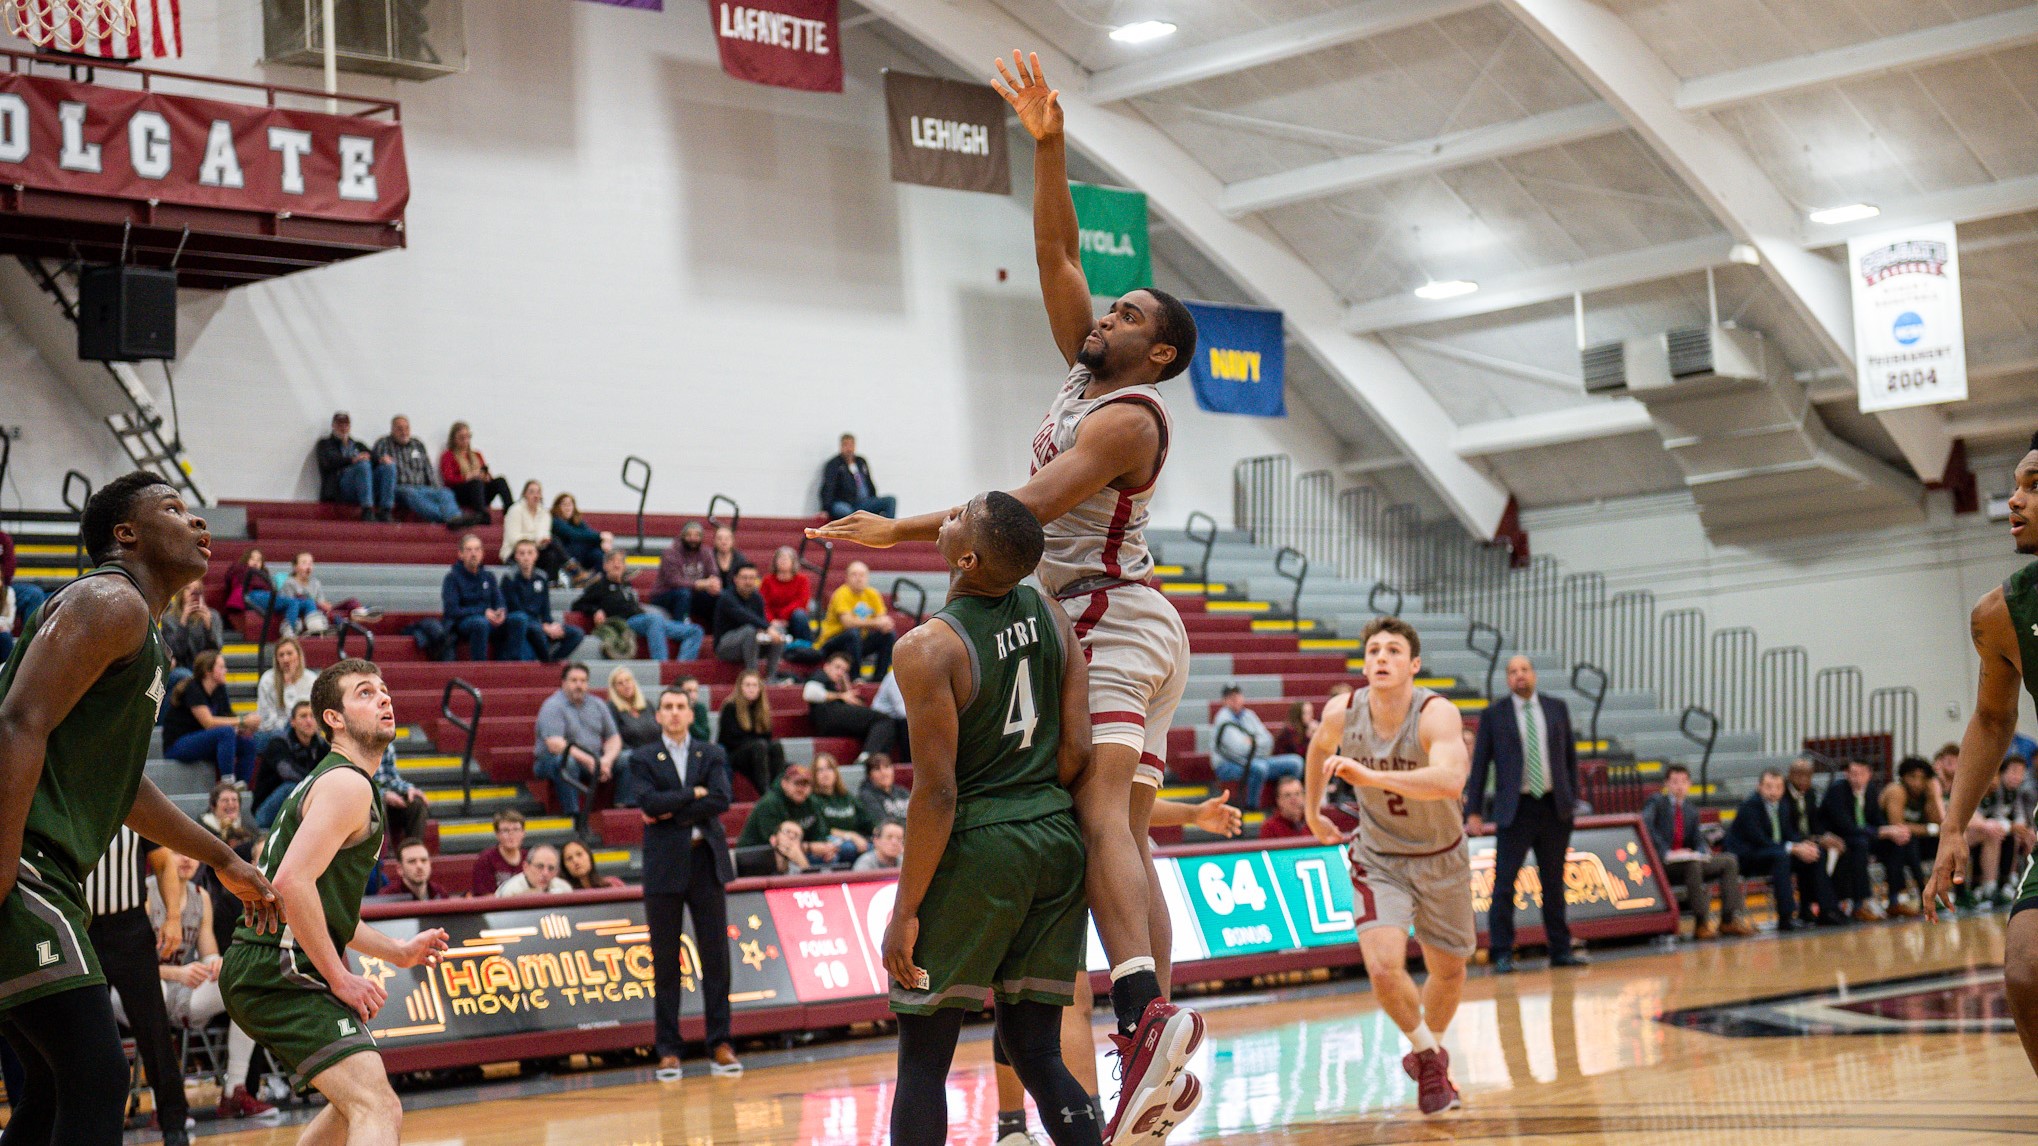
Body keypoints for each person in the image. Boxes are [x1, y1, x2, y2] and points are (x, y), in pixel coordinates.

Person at [813, 54, 1205, 1129]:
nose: (1104, 313)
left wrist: (895, 526)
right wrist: (1043, 142)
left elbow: (1020, 513)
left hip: (1113, 614)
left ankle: (1142, 1012)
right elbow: (1057, 247)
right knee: (1112, 827)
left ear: (1155, 351)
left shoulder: (1129, 419)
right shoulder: (1087, 376)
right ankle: (1150, 1046)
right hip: (1088, 615)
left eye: (1125, 314)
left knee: (1098, 814)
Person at [0, 472, 279, 1146]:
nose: (199, 524)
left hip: (47, 870)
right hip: (26, 866)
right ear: (125, 534)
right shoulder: (110, 600)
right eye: (175, 509)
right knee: (96, 1078)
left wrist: (225, 858)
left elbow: (122, 787)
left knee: (50, 1091)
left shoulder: (141, 633)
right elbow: (16, 724)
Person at [882, 490, 1108, 1146]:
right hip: (1055, 839)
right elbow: (1077, 749)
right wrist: (1031, 799)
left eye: (957, 517)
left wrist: (904, 912)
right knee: (1038, 1053)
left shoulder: (926, 648)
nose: (946, 516)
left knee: (923, 1059)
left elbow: (938, 795)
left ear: (969, 558)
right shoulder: (1050, 613)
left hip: (979, 847)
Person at [219, 659, 451, 1145]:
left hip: (270, 963)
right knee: (377, 1105)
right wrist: (340, 976)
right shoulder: (347, 784)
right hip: (279, 966)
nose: (384, 698)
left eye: (385, 690)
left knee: (354, 1107)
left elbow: (324, 911)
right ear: (334, 719)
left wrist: (398, 952)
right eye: (365, 693)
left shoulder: (339, 782)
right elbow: (292, 884)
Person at [1301, 617, 1471, 1117]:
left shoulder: (1436, 714)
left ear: (1414, 665)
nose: (1381, 658)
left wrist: (1370, 776)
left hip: (1442, 858)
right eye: (1374, 649)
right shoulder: (1343, 711)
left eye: (1394, 651)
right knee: (1381, 965)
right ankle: (1427, 1055)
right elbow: (1317, 748)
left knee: (1450, 971)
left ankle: (1430, 1051)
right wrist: (1313, 812)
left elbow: (1450, 781)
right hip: (1379, 857)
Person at [1932, 436, 2038, 1076]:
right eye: (2017, 484)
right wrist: (1952, 825)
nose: (2014, 500)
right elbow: (1993, 717)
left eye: (2035, 485)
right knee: (2026, 970)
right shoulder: (2001, 613)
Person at [625, 686, 741, 1079]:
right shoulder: (641, 757)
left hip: (705, 864)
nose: (674, 713)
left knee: (716, 959)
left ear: (691, 714)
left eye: (681, 707)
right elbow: (647, 803)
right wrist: (693, 794)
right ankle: (669, 1049)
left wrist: (670, 809)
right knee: (665, 962)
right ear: (657, 715)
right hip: (663, 868)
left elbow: (722, 800)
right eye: (668, 707)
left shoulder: (711, 753)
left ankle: (720, 1042)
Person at [135, 849, 279, 1123]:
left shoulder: (200, 896)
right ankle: (162, 1105)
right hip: (134, 989)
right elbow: (129, 967)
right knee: (152, 991)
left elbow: (208, 949)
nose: (186, 858)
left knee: (242, 987)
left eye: (190, 852)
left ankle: (234, 1091)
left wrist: (217, 963)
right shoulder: (144, 893)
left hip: (180, 987)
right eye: (177, 852)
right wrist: (177, 973)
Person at [1465, 655, 1582, 974]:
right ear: (1507, 679)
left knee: (1554, 883)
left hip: (1553, 807)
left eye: (1524, 670)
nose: (1519, 676)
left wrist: (1573, 799)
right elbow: (1480, 766)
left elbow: (1570, 757)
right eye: (1513, 672)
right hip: (1515, 809)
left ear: (1534, 675)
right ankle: (1501, 951)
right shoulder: (1494, 715)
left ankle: (1560, 949)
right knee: (1504, 882)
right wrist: (1473, 810)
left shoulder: (1557, 708)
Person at [83, 826, 194, 1141]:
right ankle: (94, 1127)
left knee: (154, 1031)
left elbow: (162, 862)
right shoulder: (66, 795)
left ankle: (174, 1124)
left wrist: (173, 918)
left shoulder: (132, 798)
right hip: (82, 929)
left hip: (130, 929)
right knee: (86, 1037)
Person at [1640, 764, 1751, 939]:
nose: (1679, 786)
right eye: (1675, 782)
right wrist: (1666, 852)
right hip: (1664, 863)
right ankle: (1701, 923)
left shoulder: (1690, 810)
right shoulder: (1656, 802)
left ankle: (1728, 920)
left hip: (1688, 861)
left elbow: (1697, 839)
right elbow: (1646, 826)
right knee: (1693, 865)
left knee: (1728, 861)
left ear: (1690, 784)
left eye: (1683, 782)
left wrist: (1700, 851)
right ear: (1666, 784)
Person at [1725, 768, 1822, 931]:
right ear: (1759, 787)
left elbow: (1790, 833)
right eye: (1768, 786)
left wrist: (1804, 845)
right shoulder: (1750, 806)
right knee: (1782, 856)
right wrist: (1793, 848)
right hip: (1747, 858)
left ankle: (1814, 908)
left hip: (1771, 854)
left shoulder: (1783, 805)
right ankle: (1785, 917)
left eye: (1778, 787)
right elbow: (1760, 840)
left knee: (1812, 854)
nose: (1773, 791)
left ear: (1783, 789)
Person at [1822, 758, 1919, 920]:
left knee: (1897, 842)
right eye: (1852, 774)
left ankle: (1894, 900)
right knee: (1860, 845)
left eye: (1860, 774)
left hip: (1864, 836)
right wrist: (1882, 831)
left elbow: (1876, 818)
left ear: (1869, 774)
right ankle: (1860, 905)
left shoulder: (1871, 790)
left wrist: (1892, 830)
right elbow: (1846, 826)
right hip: (1840, 838)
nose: (1856, 778)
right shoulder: (1837, 790)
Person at [575, 549, 704, 663]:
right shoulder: (600, 586)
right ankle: (662, 665)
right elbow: (578, 604)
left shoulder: (627, 584)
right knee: (654, 620)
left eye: (620, 561)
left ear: (624, 566)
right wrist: (596, 610)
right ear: (605, 566)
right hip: (625, 623)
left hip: (643, 619)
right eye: (612, 561)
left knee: (695, 631)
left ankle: (682, 666)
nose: (616, 564)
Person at [533, 661, 622, 818]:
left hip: (594, 761)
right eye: (574, 680)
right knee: (567, 762)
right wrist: (591, 761)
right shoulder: (552, 705)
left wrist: (606, 760)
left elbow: (613, 737)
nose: (579, 685)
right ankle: (574, 815)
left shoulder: (598, 704)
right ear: (563, 683)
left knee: (629, 759)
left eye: (583, 681)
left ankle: (624, 808)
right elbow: (555, 744)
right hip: (551, 761)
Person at [164, 649, 261, 784]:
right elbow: (208, 723)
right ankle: (228, 782)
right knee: (226, 733)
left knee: (247, 743)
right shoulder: (193, 688)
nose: (225, 670)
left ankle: (241, 786)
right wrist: (243, 721)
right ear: (207, 671)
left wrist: (244, 728)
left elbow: (228, 718)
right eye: (221, 667)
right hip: (178, 744)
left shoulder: (219, 689)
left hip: (205, 741)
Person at [1209, 684, 1305, 811]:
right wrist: (1256, 745)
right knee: (1259, 768)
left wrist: (1252, 743)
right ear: (1224, 700)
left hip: (1256, 760)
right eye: (1230, 696)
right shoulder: (1223, 719)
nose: (1235, 699)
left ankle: (1285, 802)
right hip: (1228, 765)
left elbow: (1269, 741)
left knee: (1295, 762)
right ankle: (1251, 807)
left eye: (1237, 695)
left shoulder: (1249, 715)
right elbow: (1238, 749)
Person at [443, 533, 531, 662]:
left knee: (519, 618)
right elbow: (452, 610)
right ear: (460, 554)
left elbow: (499, 600)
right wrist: (483, 612)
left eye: (477, 549)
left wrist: (501, 611)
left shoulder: (489, 576)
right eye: (469, 550)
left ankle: (512, 662)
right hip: (465, 622)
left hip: (489, 619)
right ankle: (480, 666)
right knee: (480, 623)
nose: (474, 554)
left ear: (482, 553)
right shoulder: (452, 578)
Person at [1784, 758, 1849, 927]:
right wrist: (1815, 840)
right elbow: (1786, 830)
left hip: (1808, 844)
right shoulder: (1782, 794)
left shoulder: (1811, 794)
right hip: (1790, 847)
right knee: (1816, 856)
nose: (1804, 780)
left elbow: (1816, 824)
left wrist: (1827, 836)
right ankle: (1827, 909)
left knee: (1838, 850)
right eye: (1800, 776)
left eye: (1808, 776)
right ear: (1790, 775)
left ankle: (1834, 904)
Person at [804, 650, 900, 760]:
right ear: (826, 666)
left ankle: (874, 760)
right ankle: (866, 758)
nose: (840, 672)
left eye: (844, 670)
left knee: (885, 726)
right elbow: (808, 693)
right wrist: (841, 696)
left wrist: (845, 687)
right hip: (829, 715)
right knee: (883, 719)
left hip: (835, 719)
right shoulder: (820, 675)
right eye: (837, 667)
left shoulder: (837, 685)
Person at [502, 538, 585, 663]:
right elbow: (515, 609)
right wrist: (543, 627)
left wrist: (551, 625)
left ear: (536, 555)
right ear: (516, 556)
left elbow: (545, 609)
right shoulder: (509, 578)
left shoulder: (541, 578)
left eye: (530, 553)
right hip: (522, 626)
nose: (526, 557)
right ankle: (546, 660)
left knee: (577, 633)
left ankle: (553, 660)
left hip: (538, 625)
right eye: (522, 553)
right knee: (530, 627)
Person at [373, 414, 463, 526]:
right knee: (411, 493)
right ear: (392, 430)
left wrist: (435, 488)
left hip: (421, 487)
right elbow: (377, 465)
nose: (404, 432)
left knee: (445, 492)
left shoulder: (417, 444)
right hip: (399, 488)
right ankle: (445, 519)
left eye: (406, 428)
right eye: (399, 428)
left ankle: (456, 517)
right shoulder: (383, 443)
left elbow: (427, 468)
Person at [735, 764, 836, 863]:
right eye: (797, 783)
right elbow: (778, 842)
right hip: (755, 855)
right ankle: (807, 877)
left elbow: (821, 833)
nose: (801, 789)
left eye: (805, 785)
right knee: (788, 850)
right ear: (784, 783)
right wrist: (810, 847)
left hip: (797, 852)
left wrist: (826, 848)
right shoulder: (769, 803)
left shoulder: (813, 803)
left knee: (835, 854)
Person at [817, 560, 896, 678]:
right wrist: (876, 622)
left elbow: (883, 621)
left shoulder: (873, 594)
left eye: (862, 575)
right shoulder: (841, 593)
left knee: (888, 634)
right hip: (833, 643)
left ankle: (879, 677)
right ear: (847, 578)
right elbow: (848, 623)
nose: (859, 578)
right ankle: (856, 677)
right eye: (854, 574)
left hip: (857, 643)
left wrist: (884, 624)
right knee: (853, 633)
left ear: (867, 577)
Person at [1880, 757, 1941, 909]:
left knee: (1946, 841)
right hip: (1884, 841)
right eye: (1912, 777)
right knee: (1907, 840)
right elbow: (1898, 826)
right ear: (1903, 776)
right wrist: (1928, 829)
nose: (1917, 782)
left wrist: (1933, 795)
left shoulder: (1924, 795)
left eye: (1922, 778)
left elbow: (1939, 823)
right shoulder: (1896, 790)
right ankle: (1921, 892)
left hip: (1911, 842)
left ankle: (1955, 892)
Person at [255, 701, 326, 829]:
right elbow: (287, 772)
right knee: (292, 787)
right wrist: (318, 784)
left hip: (301, 804)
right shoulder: (278, 742)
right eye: (303, 716)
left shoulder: (321, 745)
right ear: (292, 722)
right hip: (266, 812)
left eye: (312, 716)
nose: (309, 721)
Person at [1980, 756, 2038, 907]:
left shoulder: (2016, 791)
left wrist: (2023, 828)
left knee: (2028, 835)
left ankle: (2022, 879)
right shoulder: (1997, 789)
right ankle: (1990, 888)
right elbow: (1994, 815)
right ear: (2002, 773)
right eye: (2013, 772)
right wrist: (2013, 827)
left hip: (1999, 829)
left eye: (2021, 773)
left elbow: (2020, 817)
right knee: (2001, 834)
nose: (2017, 777)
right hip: (1986, 830)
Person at [315, 411, 395, 522]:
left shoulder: (358, 445)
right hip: (341, 487)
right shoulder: (325, 444)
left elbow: (372, 456)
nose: (343, 427)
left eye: (346, 424)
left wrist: (382, 459)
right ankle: (367, 509)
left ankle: (386, 510)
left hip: (363, 484)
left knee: (389, 467)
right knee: (363, 464)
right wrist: (353, 460)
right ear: (333, 426)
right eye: (339, 424)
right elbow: (329, 462)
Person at [717, 668, 786, 796]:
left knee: (776, 746)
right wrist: (755, 741)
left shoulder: (762, 709)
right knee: (759, 746)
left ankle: (779, 789)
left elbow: (768, 736)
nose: (751, 688)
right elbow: (728, 739)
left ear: (760, 689)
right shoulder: (730, 707)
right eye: (747, 685)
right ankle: (766, 793)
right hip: (735, 754)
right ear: (740, 687)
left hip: (758, 750)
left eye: (754, 685)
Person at [715, 564, 788, 680]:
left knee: (778, 629)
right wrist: (768, 627)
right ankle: (753, 678)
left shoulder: (757, 598)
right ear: (736, 579)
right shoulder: (726, 597)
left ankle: (771, 677)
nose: (748, 582)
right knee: (750, 630)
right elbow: (744, 616)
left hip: (753, 644)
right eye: (744, 578)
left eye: (752, 578)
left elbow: (761, 622)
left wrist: (771, 629)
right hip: (726, 647)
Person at [232, 548, 320, 636]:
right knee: (292, 602)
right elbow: (238, 586)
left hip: (267, 595)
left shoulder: (263, 574)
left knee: (308, 602)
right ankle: (288, 629)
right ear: (245, 559)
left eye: (259, 560)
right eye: (252, 559)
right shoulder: (241, 570)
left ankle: (315, 625)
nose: (256, 562)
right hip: (252, 595)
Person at [439, 421, 514, 524]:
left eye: (468, 437)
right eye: (461, 437)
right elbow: (448, 479)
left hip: (480, 491)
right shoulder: (448, 455)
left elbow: (486, 473)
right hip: (462, 492)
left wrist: (486, 477)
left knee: (500, 481)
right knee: (476, 483)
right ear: (454, 439)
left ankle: (511, 512)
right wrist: (467, 477)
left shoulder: (476, 454)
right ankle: (482, 514)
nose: (465, 440)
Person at [253, 635, 318, 753]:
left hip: (304, 731)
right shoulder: (267, 680)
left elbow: (311, 717)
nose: (285, 659)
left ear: (298, 656)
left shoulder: (311, 680)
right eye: (281, 655)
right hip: (272, 733)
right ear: (276, 659)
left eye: (289, 653)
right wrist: (288, 686)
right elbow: (267, 720)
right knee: (278, 738)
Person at [278, 551, 374, 629]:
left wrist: (324, 604)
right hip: (307, 615)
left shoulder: (315, 583)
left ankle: (357, 612)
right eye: (304, 563)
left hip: (323, 611)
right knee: (304, 599)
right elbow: (290, 605)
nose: (308, 567)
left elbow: (321, 602)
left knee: (351, 601)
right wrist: (319, 604)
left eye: (310, 563)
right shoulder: (289, 583)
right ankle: (340, 620)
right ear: (295, 567)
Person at [653, 520, 720, 627]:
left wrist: (714, 582)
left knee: (719, 596)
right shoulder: (671, 553)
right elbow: (673, 581)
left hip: (692, 595)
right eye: (689, 535)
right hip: (665, 594)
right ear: (682, 536)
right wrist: (698, 584)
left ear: (701, 538)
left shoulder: (706, 552)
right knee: (683, 593)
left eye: (697, 535)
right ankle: (680, 629)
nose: (693, 539)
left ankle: (717, 630)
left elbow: (713, 572)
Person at [811, 753, 874, 864]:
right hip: (829, 841)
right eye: (820, 770)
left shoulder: (846, 797)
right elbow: (824, 829)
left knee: (880, 847)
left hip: (855, 840)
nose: (825, 774)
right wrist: (852, 836)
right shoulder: (812, 799)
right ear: (814, 775)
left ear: (836, 772)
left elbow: (867, 821)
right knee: (848, 849)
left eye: (829, 769)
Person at [501, 480, 567, 583]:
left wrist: (541, 541)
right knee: (554, 541)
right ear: (524, 494)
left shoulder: (545, 513)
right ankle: (572, 567)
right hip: (514, 552)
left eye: (538, 492)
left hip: (536, 551)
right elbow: (514, 539)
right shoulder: (515, 511)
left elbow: (543, 534)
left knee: (552, 554)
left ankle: (550, 585)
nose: (535, 495)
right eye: (532, 492)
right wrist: (536, 540)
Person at [821, 433, 897, 520]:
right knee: (846, 511)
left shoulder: (861, 462)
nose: (849, 448)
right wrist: (825, 508)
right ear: (841, 446)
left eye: (851, 445)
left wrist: (874, 499)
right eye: (846, 445)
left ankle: (888, 530)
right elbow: (828, 487)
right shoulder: (834, 464)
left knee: (890, 500)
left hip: (863, 502)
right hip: (844, 502)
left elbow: (869, 482)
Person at [374, 744, 431, 847]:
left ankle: (413, 851)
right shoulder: (351, 743)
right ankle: (386, 855)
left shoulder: (386, 744)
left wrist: (408, 788)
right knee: (377, 801)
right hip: (362, 800)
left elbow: (392, 779)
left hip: (385, 799)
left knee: (416, 803)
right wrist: (383, 794)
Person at [549, 492, 612, 580]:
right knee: (582, 544)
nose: (567, 508)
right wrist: (601, 536)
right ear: (557, 507)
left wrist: (604, 541)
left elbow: (588, 533)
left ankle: (602, 579)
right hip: (563, 556)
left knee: (598, 553)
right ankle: (579, 576)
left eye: (570, 505)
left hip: (579, 555)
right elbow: (574, 534)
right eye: (564, 505)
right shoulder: (555, 521)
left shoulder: (577, 521)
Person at [760, 546, 816, 645]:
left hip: (792, 618)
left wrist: (784, 617)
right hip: (772, 621)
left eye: (786, 558)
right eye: (780, 558)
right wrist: (772, 620)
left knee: (800, 615)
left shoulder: (802, 580)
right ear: (775, 562)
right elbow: (763, 603)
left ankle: (806, 647)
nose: (783, 561)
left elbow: (801, 602)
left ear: (793, 562)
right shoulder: (767, 580)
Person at [470, 808, 528, 895]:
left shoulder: (530, 858)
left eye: (516, 829)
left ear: (523, 832)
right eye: (505, 830)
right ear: (497, 834)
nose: (511, 834)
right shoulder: (486, 860)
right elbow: (485, 897)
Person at [606, 666, 660, 751]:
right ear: (614, 688)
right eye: (620, 683)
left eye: (628, 680)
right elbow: (614, 739)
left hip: (654, 752)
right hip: (630, 754)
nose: (625, 685)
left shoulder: (647, 704)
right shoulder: (611, 708)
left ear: (634, 682)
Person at [495, 844, 571, 896]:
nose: (545, 873)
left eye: (551, 868)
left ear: (556, 872)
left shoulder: (564, 889)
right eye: (540, 867)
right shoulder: (509, 891)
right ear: (526, 867)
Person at [859, 753, 911, 825]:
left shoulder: (903, 792)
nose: (883, 773)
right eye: (877, 769)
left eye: (886, 767)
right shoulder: (866, 796)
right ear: (869, 775)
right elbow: (882, 823)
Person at [1256, 774, 1311, 840]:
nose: (1294, 800)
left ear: (1304, 796)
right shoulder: (1269, 828)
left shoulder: (1313, 822)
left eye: (1297, 794)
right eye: (1287, 795)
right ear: (1279, 800)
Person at [203, 780, 256, 848]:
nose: (230, 804)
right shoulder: (202, 828)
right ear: (213, 806)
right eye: (225, 800)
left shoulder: (249, 826)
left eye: (234, 800)